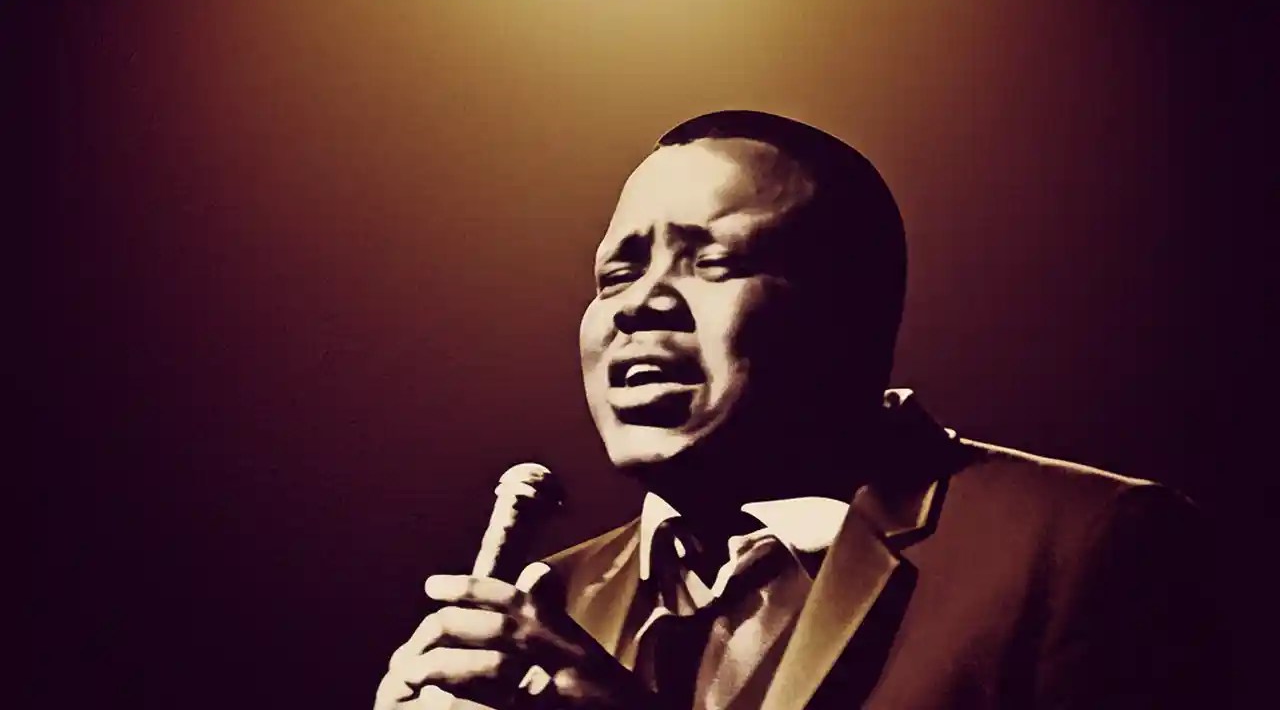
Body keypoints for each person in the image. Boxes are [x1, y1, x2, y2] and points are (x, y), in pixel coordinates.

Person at [373, 110, 1217, 709]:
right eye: (616, 273)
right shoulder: (549, 598)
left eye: (712, 260)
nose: (639, 306)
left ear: (850, 313)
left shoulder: (1091, 545)